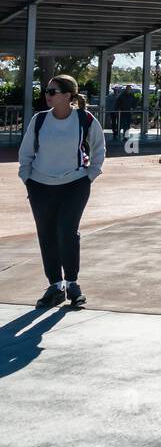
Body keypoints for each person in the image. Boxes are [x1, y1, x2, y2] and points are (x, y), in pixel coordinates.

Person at [18, 74, 106, 308]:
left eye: (52, 92)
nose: (47, 96)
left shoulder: (84, 119)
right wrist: (27, 177)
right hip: (40, 185)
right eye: (46, 91)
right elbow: (26, 151)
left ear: (67, 95)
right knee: (46, 234)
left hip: (75, 184)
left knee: (66, 232)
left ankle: (73, 284)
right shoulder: (39, 120)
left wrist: (91, 174)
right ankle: (55, 287)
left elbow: (99, 147)